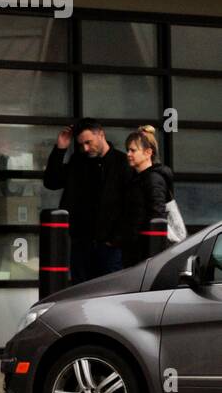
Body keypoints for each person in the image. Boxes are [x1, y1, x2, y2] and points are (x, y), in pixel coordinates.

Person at [42, 118, 133, 282]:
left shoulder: (122, 163)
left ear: (101, 135)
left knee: (109, 294)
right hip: (81, 244)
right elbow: (51, 181)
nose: (85, 148)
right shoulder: (79, 160)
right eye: (81, 144)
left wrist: (117, 239)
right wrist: (61, 148)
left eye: (89, 142)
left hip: (110, 246)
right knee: (81, 295)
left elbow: (131, 204)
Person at [122, 125, 174, 268]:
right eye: (127, 150)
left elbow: (157, 217)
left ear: (148, 152)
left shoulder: (153, 179)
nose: (128, 154)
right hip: (136, 250)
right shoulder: (136, 178)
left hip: (146, 254)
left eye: (133, 150)